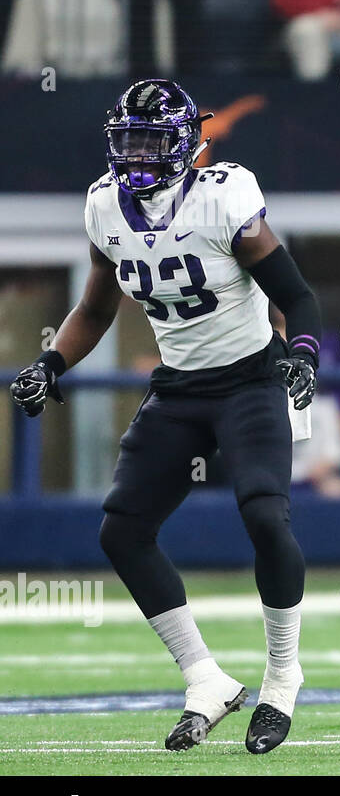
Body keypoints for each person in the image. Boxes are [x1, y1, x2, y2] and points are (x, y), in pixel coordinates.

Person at [8, 79, 321, 754]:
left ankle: (281, 676)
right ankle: (204, 679)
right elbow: (95, 310)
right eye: (129, 142)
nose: (139, 155)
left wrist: (302, 353)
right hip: (179, 388)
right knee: (122, 532)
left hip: (248, 380)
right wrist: (50, 364)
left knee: (266, 515)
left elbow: (295, 292)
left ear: (186, 143)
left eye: (153, 141)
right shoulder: (103, 208)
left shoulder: (223, 197)